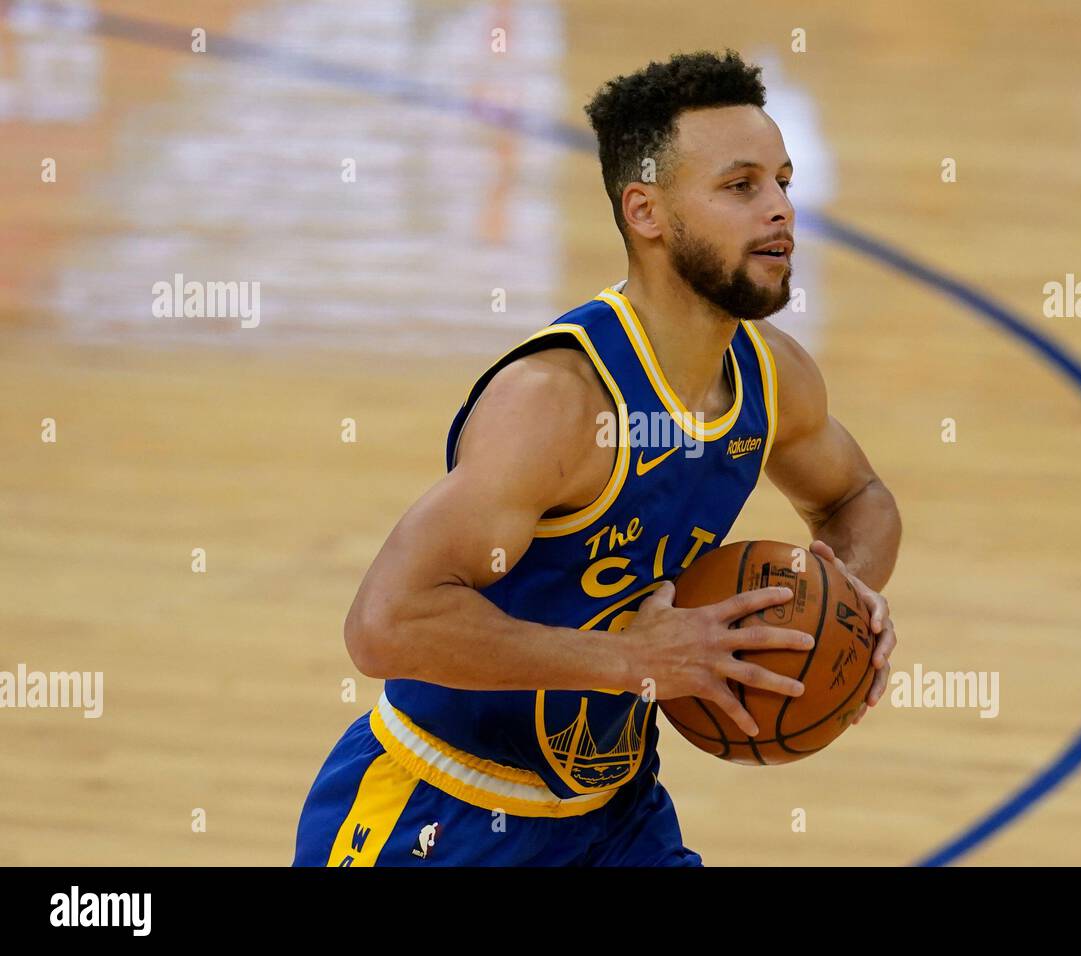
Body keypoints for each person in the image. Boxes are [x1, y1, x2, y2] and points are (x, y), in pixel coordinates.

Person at [293, 49, 901, 867]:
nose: (781, 211)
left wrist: (846, 593)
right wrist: (630, 661)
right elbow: (385, 625)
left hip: (616, 820)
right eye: (740, 186)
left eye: (784, 182)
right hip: (438, 818)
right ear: (646, 212)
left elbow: (857, 495)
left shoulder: (772, 375)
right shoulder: (557, 403)